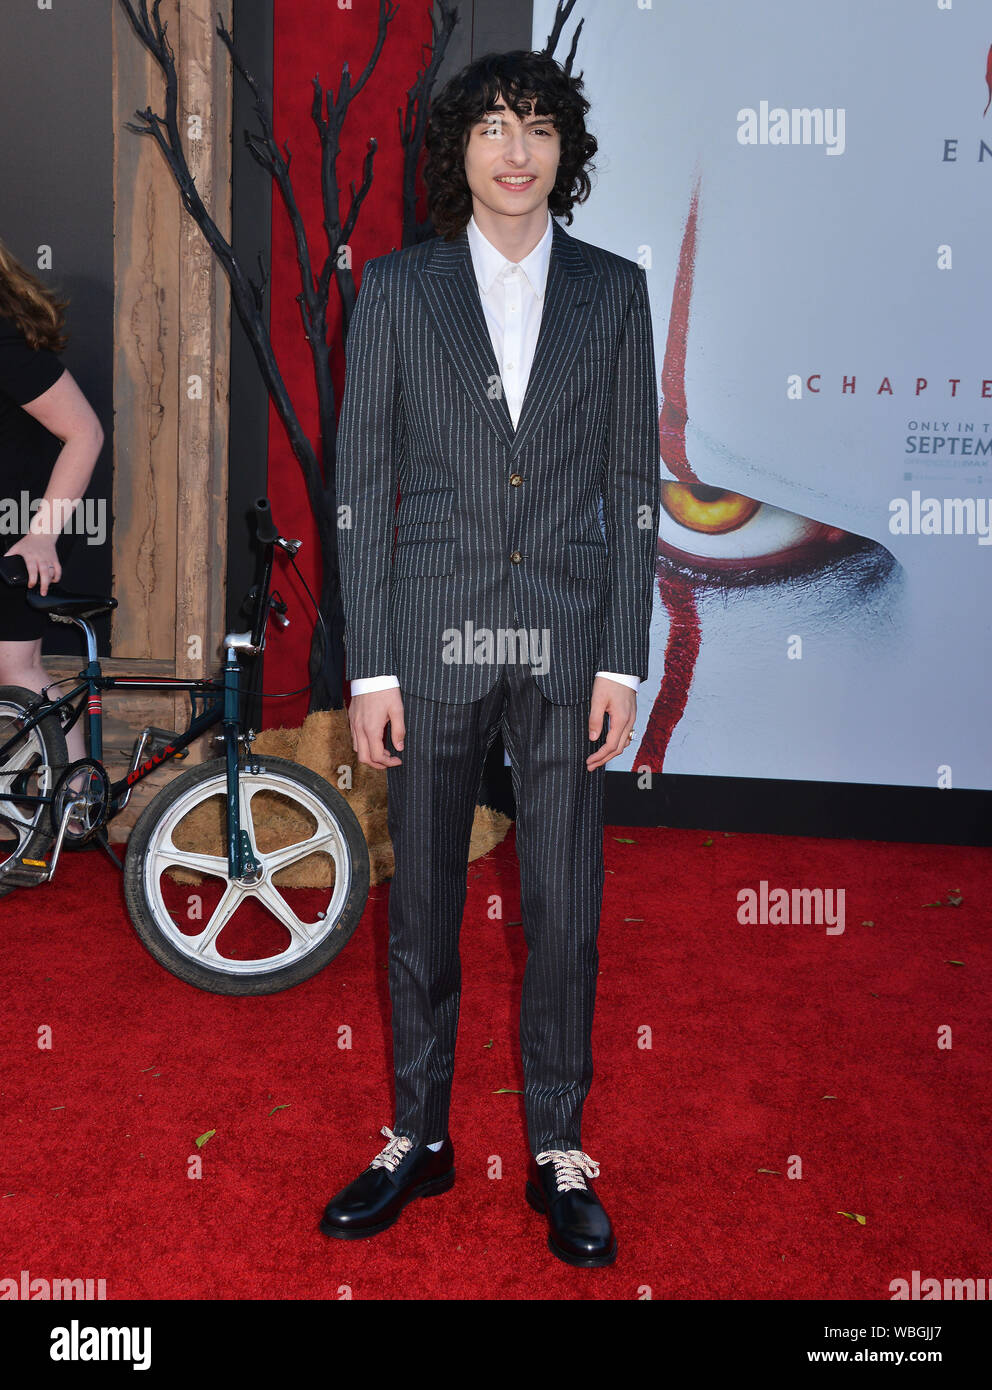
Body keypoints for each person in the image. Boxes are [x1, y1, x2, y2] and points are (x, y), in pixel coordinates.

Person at [323, 50, 660, 1267]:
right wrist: (371, 669)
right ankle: (416, 1133)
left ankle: (558, 1147)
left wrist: (623, 654)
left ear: (564, 153)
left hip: (570, 635)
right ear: (456, 151)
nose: (513, 150)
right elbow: (361, 483)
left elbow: (633, 485)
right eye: (489, 128)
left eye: (536, 128)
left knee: (563, 915)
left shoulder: (614, 292)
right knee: (420, 910)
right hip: (430, 638)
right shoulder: (399, 291)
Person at [0, 238, 103, 772]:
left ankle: (76, 806)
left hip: (8, 541)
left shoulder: (5, 339)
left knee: (15, 667)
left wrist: (41, 533)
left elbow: (84, 431)